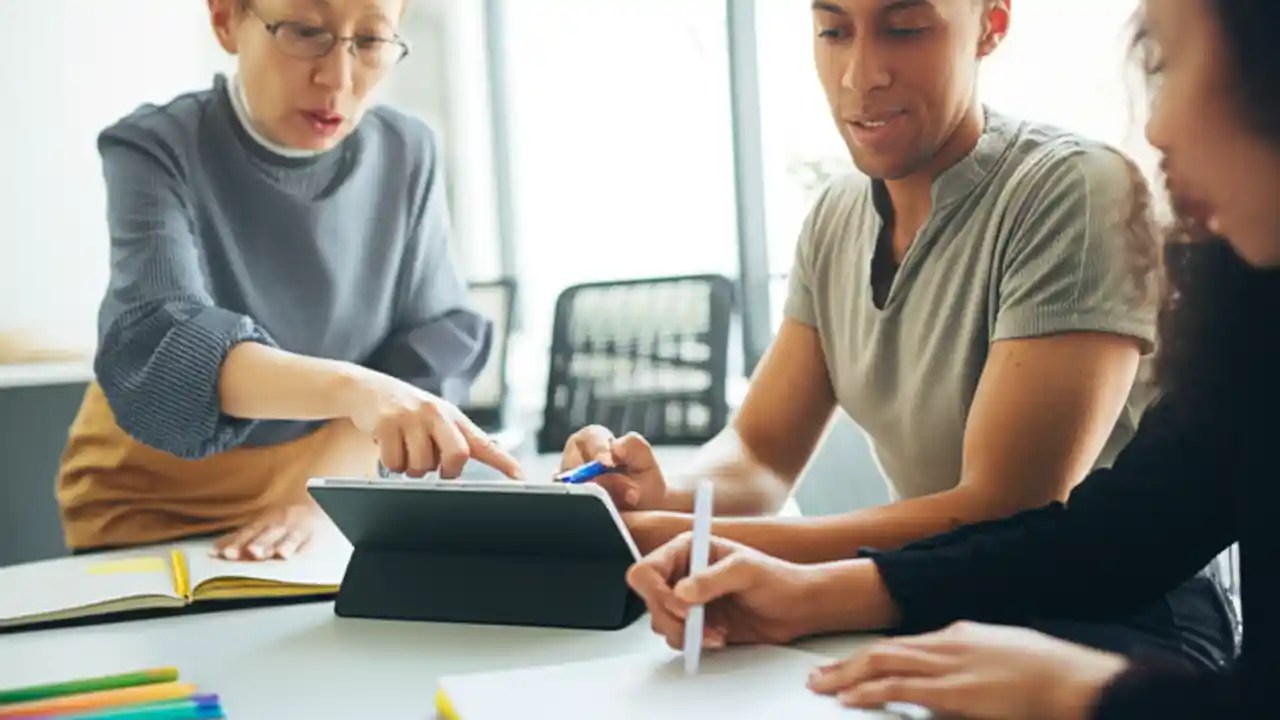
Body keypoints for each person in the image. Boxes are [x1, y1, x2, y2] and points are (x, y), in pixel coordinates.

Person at [625, 0, 1280, 716]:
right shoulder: (838, 215)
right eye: (833, 30)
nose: (860, 75)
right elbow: (758, 449)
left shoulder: (1072, 188)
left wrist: (710, 542)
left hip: (1126, 624)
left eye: (905, 28)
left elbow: (1013, 509)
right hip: (994, 588)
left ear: (991, 27)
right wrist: (650, 504)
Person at [55, 0, 522, 561]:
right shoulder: (154, 146)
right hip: (150, 501)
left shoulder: (407, 150)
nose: (339, 78)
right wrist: (360, 391)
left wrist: (332, 492)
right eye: (305, 32)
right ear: (226, 19)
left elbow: (433, 340)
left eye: (371, 42)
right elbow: (161, 339)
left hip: (325, 495)